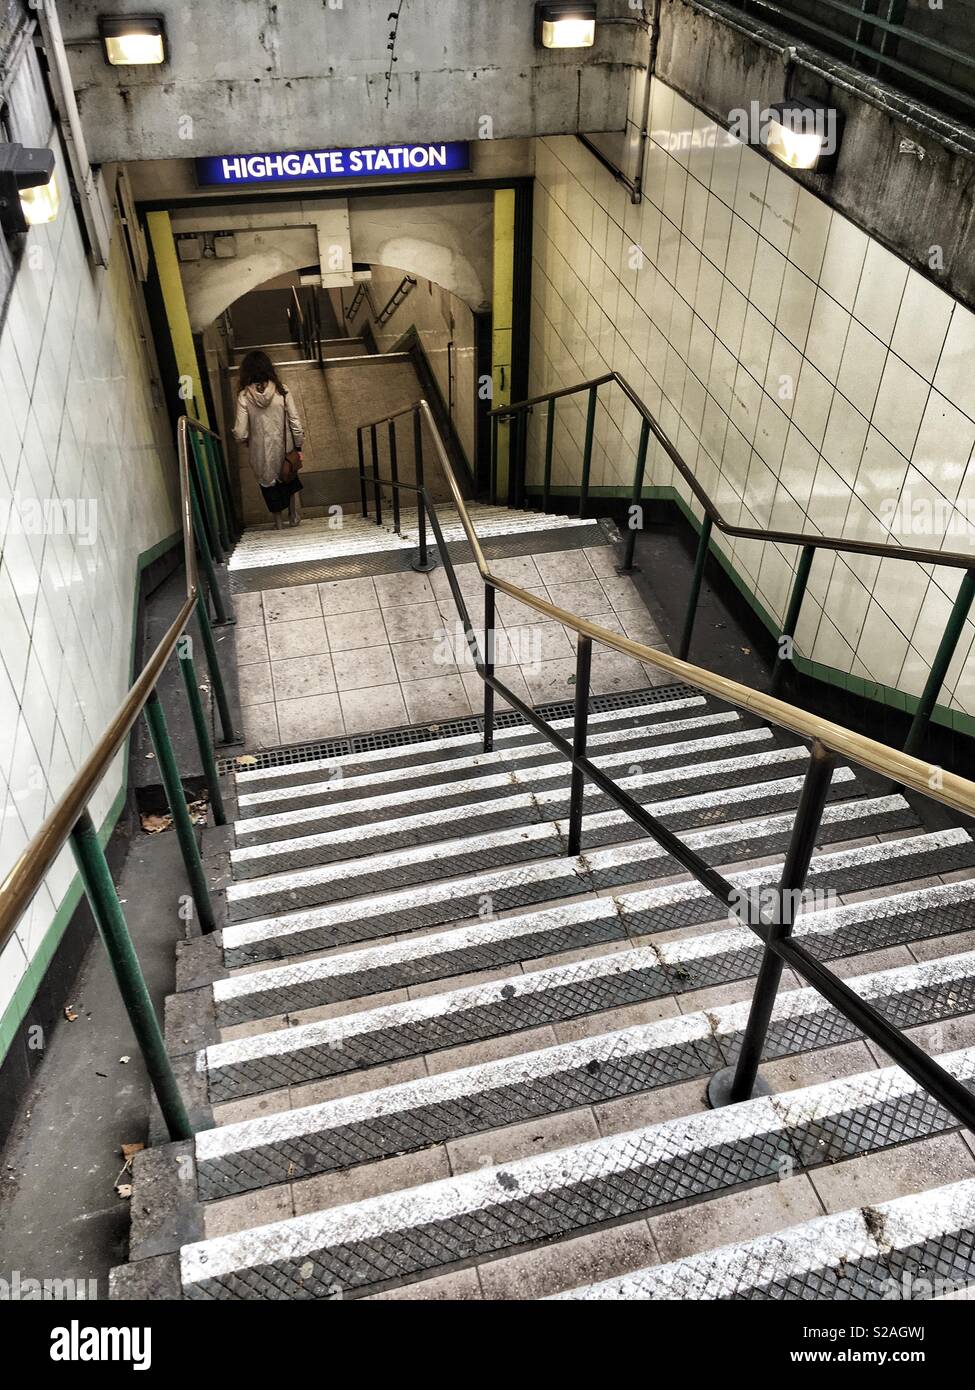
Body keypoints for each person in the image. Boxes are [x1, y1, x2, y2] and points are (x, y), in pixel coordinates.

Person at [233, 350, 305, 528]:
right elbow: (295, 421)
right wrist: (298, 445)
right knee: (288, 476)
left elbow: (240, 432)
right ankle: (293, 516)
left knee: (268, 484)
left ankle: (278, 522)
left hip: (260, 451)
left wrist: (246, 439)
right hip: (285, 446)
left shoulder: (244, 396)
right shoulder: (283, 390)